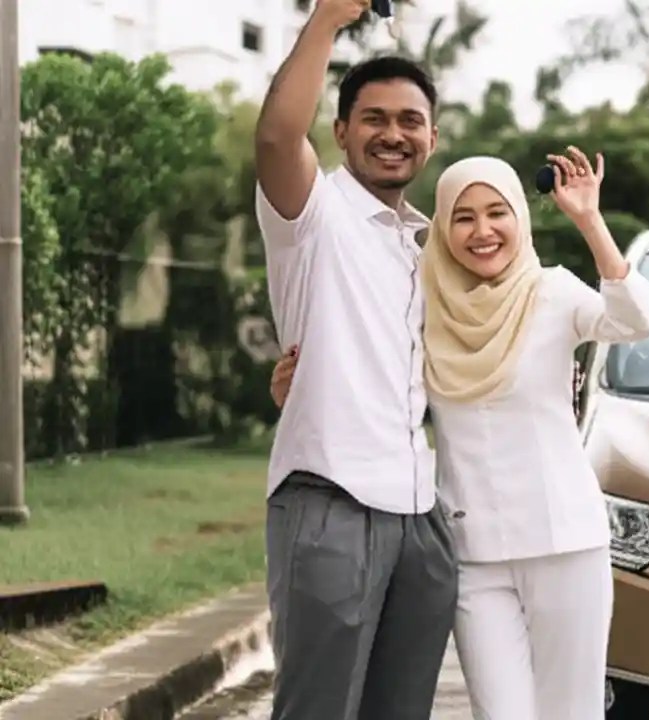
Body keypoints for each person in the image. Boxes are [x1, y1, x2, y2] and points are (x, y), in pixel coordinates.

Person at [270, 149, 649, 718]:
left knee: (572, 711)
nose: (482, 231)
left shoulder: (551, 292)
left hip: (566, 541)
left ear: (519, 220)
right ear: (444, 227)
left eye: (497, 213)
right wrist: (298, 388)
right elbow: (370, 374)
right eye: (464, 216)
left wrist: (589, 220)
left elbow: (634, 322)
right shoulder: (426, 306)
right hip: (473, 551)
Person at [253, 0, 455, 718]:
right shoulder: (312, 215)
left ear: (432, 138)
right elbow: (278, 136)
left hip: (421, 517)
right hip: (331, 501)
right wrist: (327, 22)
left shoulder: (433, 245)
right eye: (373, 118)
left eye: (409, 121)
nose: (391, 135)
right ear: (340, 131)